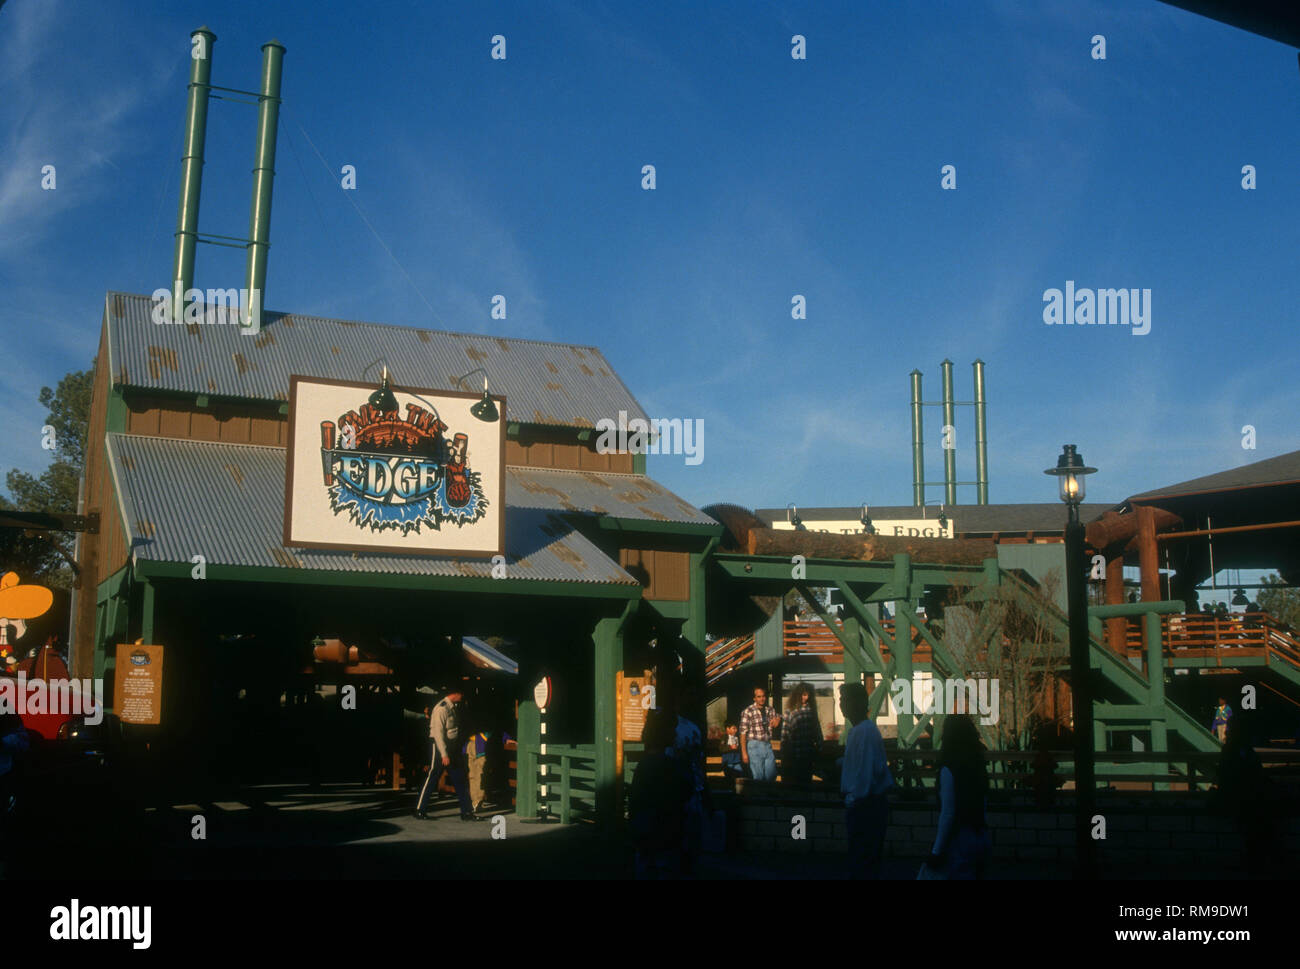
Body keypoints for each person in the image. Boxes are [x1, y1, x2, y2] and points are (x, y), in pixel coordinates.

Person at [838, 683, 894, 879]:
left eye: (844, 700)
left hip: (865, 806)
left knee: (862, 863)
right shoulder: (861, 730)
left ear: (857, 703)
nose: (841, 704)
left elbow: (864, 773)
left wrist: (852, 800)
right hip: (867, 804)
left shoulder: (863, 732)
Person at [629, 708, 693, 879]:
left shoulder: (643, 765)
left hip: (644, 831)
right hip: (665, 832)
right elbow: (685, 791)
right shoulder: (669, 765)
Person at [926, 714, 992, 880]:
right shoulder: (978, 765)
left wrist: (936, 851)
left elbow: (948, 813)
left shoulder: (949, 768)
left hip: (959, 838)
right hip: (979, 833)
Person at [414, 689, 480, 821]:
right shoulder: (441, 708)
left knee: (459, 778)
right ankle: (419, 809)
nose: (462, 695)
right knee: (433, 776)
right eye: (461, 693)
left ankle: (467, 812)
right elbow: (438, 734)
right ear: (454, 693)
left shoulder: (452, 707)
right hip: (439, 746)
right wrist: (444, 754)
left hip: (451, 746)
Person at [781, 681, 822, 785]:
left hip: (807, 752)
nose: (805, 698)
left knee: (806, 781)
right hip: (794, 753)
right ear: (797, 695)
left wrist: (820, 744)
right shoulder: (790, 711)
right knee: (794, 782)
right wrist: (784, 750)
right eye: (803, 695)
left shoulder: (811, 710)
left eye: (808, 695)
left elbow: (817, 729)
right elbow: (785, 733)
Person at [739, 686, 781, 781]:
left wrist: (778, 719)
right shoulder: (748, 711)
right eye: (759, 696)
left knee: (771, 774)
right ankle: (758, 795)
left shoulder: (770, 710)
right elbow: (742, 733)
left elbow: (777, 718)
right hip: (754, 745)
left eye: (763, 696)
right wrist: (744, 753)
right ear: (754, 698)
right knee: (758, 777)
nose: (761, 699)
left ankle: (767, 795)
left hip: (767, 744)